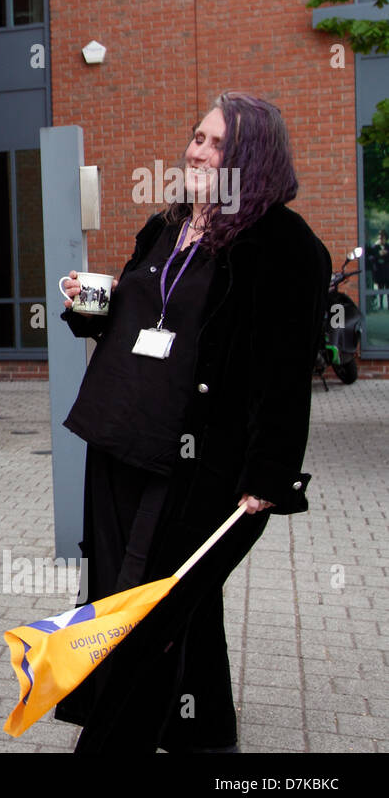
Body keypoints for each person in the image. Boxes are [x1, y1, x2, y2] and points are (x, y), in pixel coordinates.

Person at [54, 91, 331, 752]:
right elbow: (134, 317)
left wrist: (270, 475)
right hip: (120, 438)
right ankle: (203, 727)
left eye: (214, 143)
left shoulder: (284, 246)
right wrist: (88, 306)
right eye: (197, 138)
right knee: (152, 594)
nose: (196, 151)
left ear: (250, 158)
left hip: (200, 461)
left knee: (152, 609)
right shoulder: (166, 226)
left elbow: (286, 376)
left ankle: (115, 739)